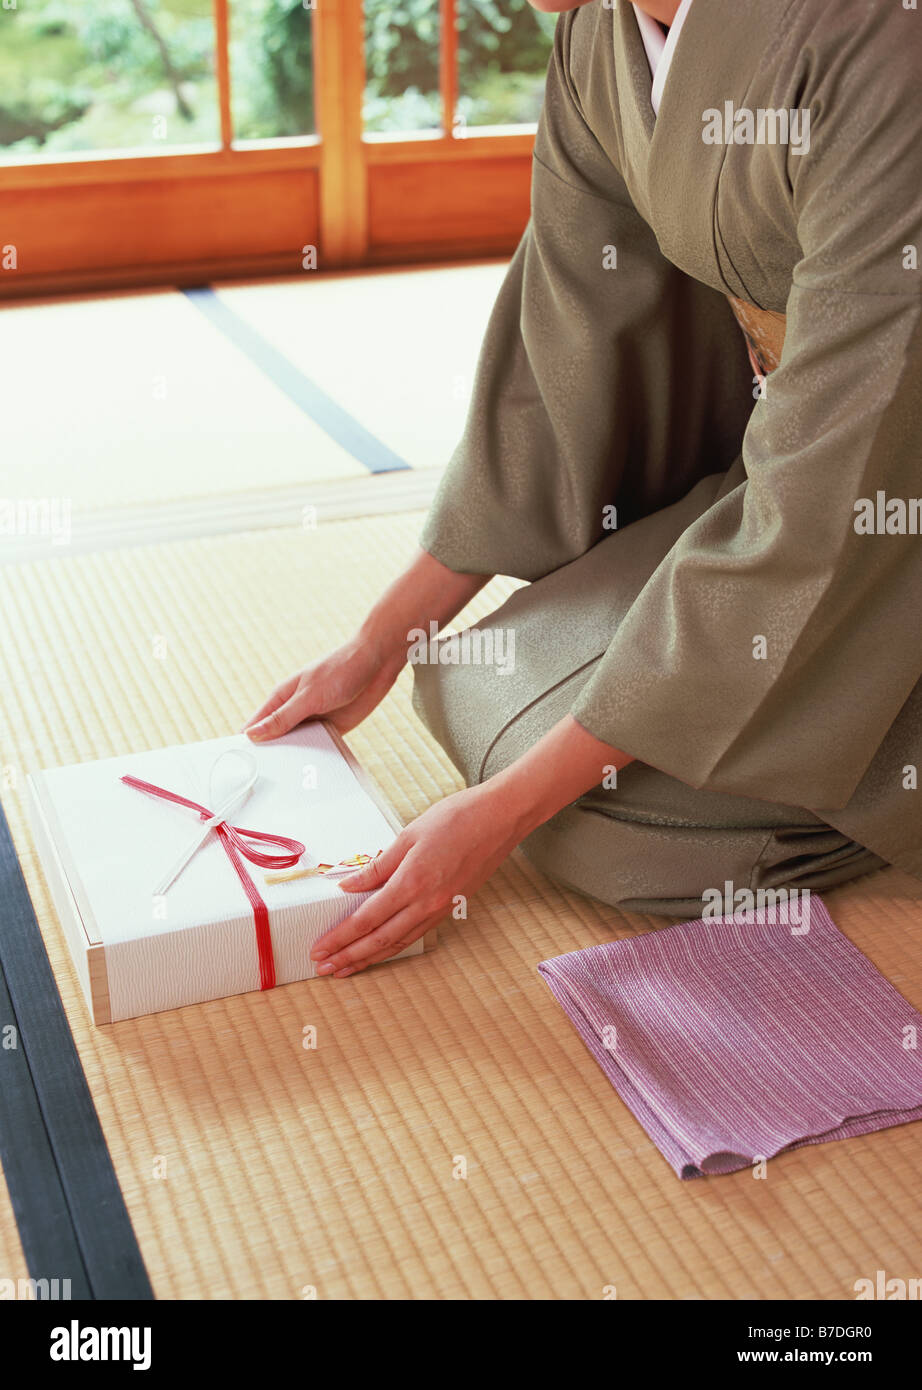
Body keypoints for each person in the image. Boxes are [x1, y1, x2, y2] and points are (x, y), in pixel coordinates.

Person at [245, 0, 922, 978]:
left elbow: (848, 462)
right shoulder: (597, 38)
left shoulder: (877, 39)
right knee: (464, 671)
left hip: (875, 492)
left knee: (613, 824)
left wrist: (505, 812)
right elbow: (563, 351)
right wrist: (381, 638)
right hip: (800, 467)